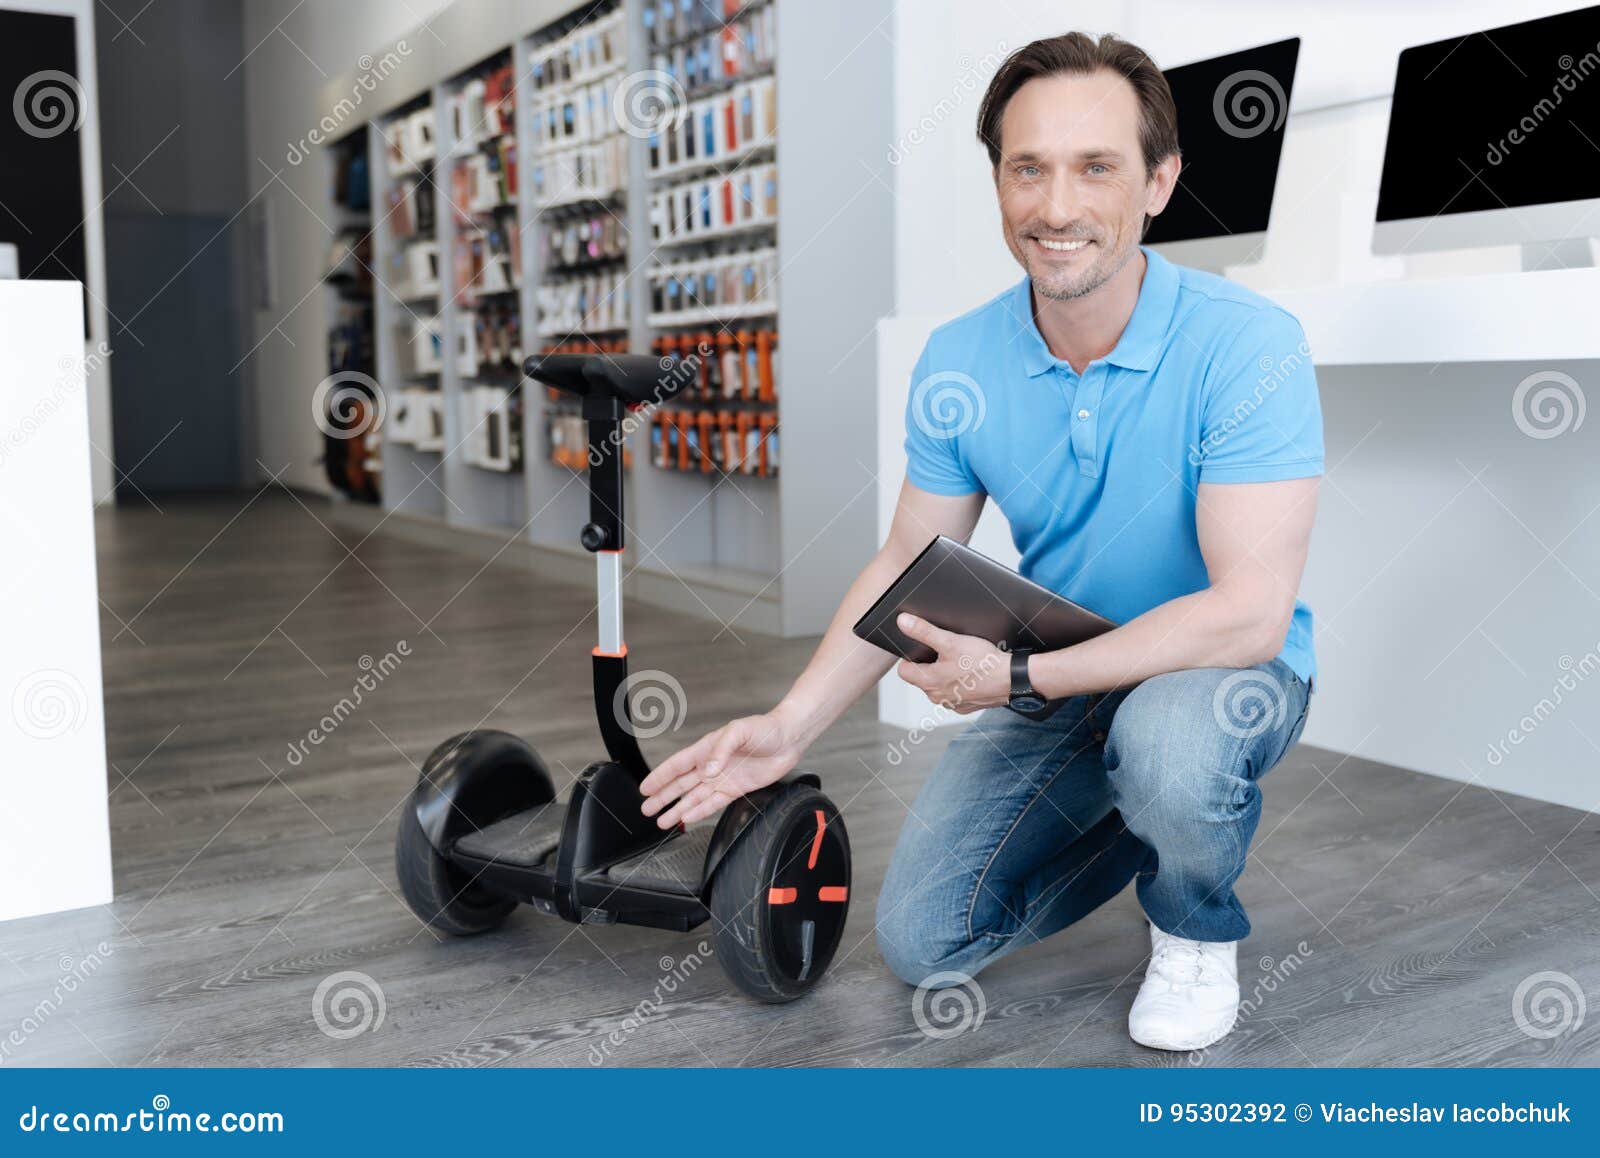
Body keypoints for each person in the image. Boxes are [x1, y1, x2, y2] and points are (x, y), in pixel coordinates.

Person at [639, 30, 1321, 1053]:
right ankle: (1159, 822)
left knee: (1173, 748)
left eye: (1096, 168)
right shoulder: (960, 357)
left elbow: (1248, 616)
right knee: (925, 939)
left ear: (1159, 182)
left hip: (1218, 674)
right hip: (1062, 670)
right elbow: (905, 564)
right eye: (1027, 169)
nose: (1056, 207)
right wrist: (790, 725)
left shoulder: (1247, 344)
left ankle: (1192, 919)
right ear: (998, 181)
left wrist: (1016, 678)